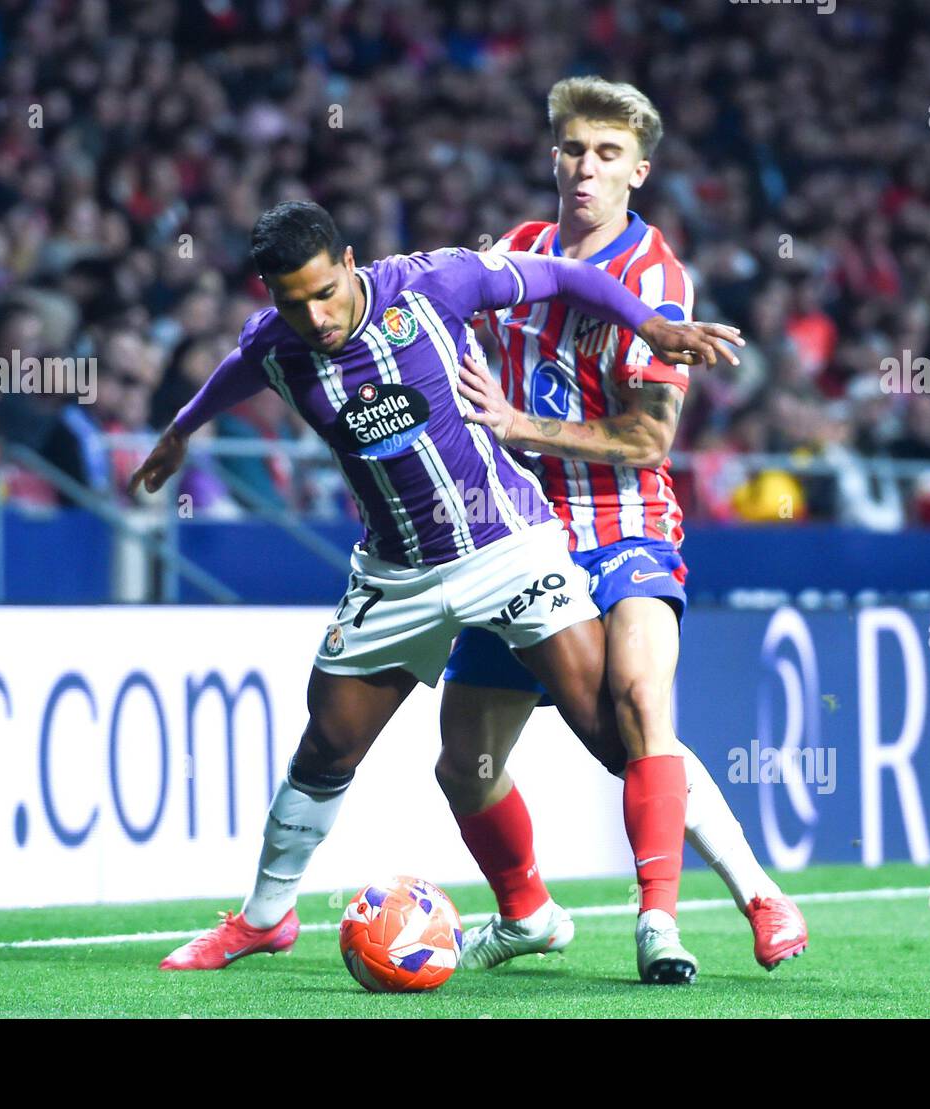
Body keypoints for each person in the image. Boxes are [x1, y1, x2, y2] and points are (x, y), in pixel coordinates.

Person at [130, 200, 741, 980]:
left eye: (324, 292)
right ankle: (263, 919)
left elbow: (561, 274)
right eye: (292, 301)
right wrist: (181, 430)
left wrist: (649, 326)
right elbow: (232, 373)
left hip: (507, 548)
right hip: (398, 573)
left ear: (349, 261)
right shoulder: (276, 342)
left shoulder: (433, 284)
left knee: (614, 733)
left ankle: (696, 907)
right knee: (326, 744)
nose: (314, 316)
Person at [437, 78, 808, 979]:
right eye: (572, 150)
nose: (585, 168)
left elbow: (648, 438)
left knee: (640, 703)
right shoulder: (519, 251)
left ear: (638, 171)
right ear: (553, 158)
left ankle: (660, 925)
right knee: (465, 760)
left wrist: (520, 427)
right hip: (521, 538)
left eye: (607, 155)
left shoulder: (658, 281)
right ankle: (529, 913)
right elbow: (443, 306)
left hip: (624, 524)